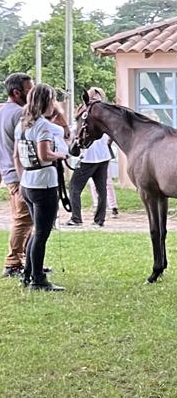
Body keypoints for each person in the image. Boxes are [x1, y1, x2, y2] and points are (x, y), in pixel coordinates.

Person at [14, 84, 68, 291]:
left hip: (28, 181)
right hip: (44, 182)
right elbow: (45, 155)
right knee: (41, 234)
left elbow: (18, 157)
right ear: (46, 101)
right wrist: (61, 155)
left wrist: (21, 180)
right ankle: (37, 279)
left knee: (36, 231)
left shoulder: (23, 125)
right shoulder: (42, 126)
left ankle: (28, 274)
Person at [2, 73, 34, 278]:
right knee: (23, 220)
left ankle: (27, 260)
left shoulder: (4, 111)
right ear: (17, 92)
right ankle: (13, 263)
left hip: (9, 173)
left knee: (28, 219)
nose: (32, 95)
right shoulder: (19, 114)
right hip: (19, 175)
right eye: (29, 90)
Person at [69, 87, 114, 227]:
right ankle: (99, 220)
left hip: (88, 157)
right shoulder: (105, 113)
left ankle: (76, 218)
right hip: (103, 156)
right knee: (102, 189)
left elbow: (78, 129)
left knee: (74, 187)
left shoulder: (85, 112)